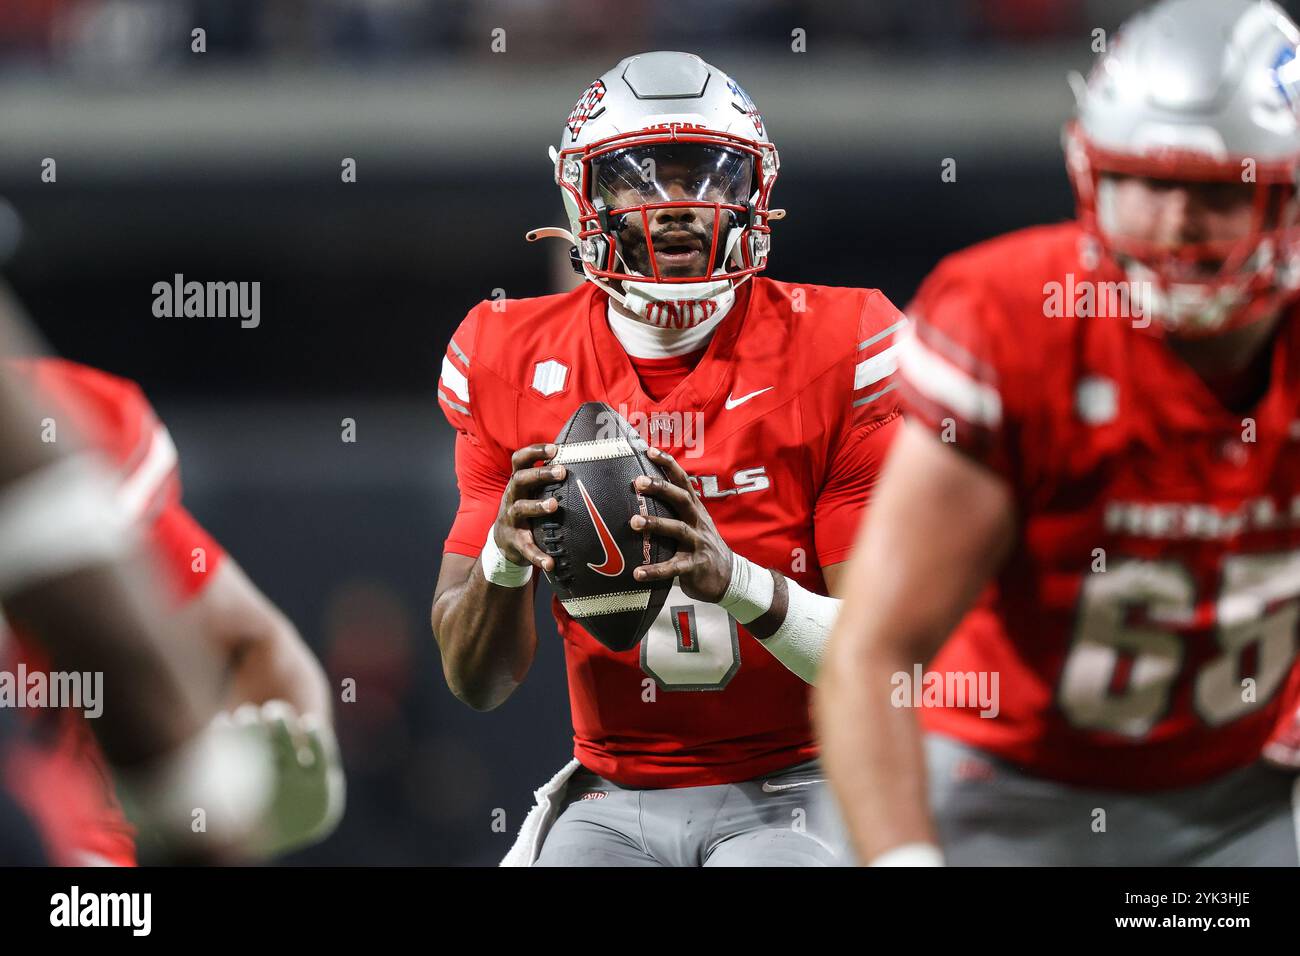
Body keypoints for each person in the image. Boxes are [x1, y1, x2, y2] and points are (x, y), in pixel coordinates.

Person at [818, 0, 1300, 866]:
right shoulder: (1012, 319)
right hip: (1003, 785)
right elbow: (875, 648)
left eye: (1220, 189)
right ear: (1091, 173)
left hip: (1243, 790)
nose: (1176, 224)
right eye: (1147, 182)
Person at [432, 51, 903, 866]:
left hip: (801, 781)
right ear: (584, 197)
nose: (676, 208)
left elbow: (888, 658)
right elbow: (477, 683)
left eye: (707, 178)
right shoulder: (503, 354)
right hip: (612, 792)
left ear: (755, 194)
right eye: (639, 179)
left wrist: (738, 580)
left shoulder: (841, 346)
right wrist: (504, 563)